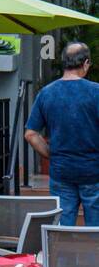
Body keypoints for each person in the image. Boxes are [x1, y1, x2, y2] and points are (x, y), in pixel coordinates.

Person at [25, 41, 99, 226]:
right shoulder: (96, 92)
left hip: (61, 171)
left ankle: (63, 256)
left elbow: (31, 134)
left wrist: (52, 154)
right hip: (94, 172)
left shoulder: (46, 93)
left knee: (61, 231)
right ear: (86, 63)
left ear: (64, 63)